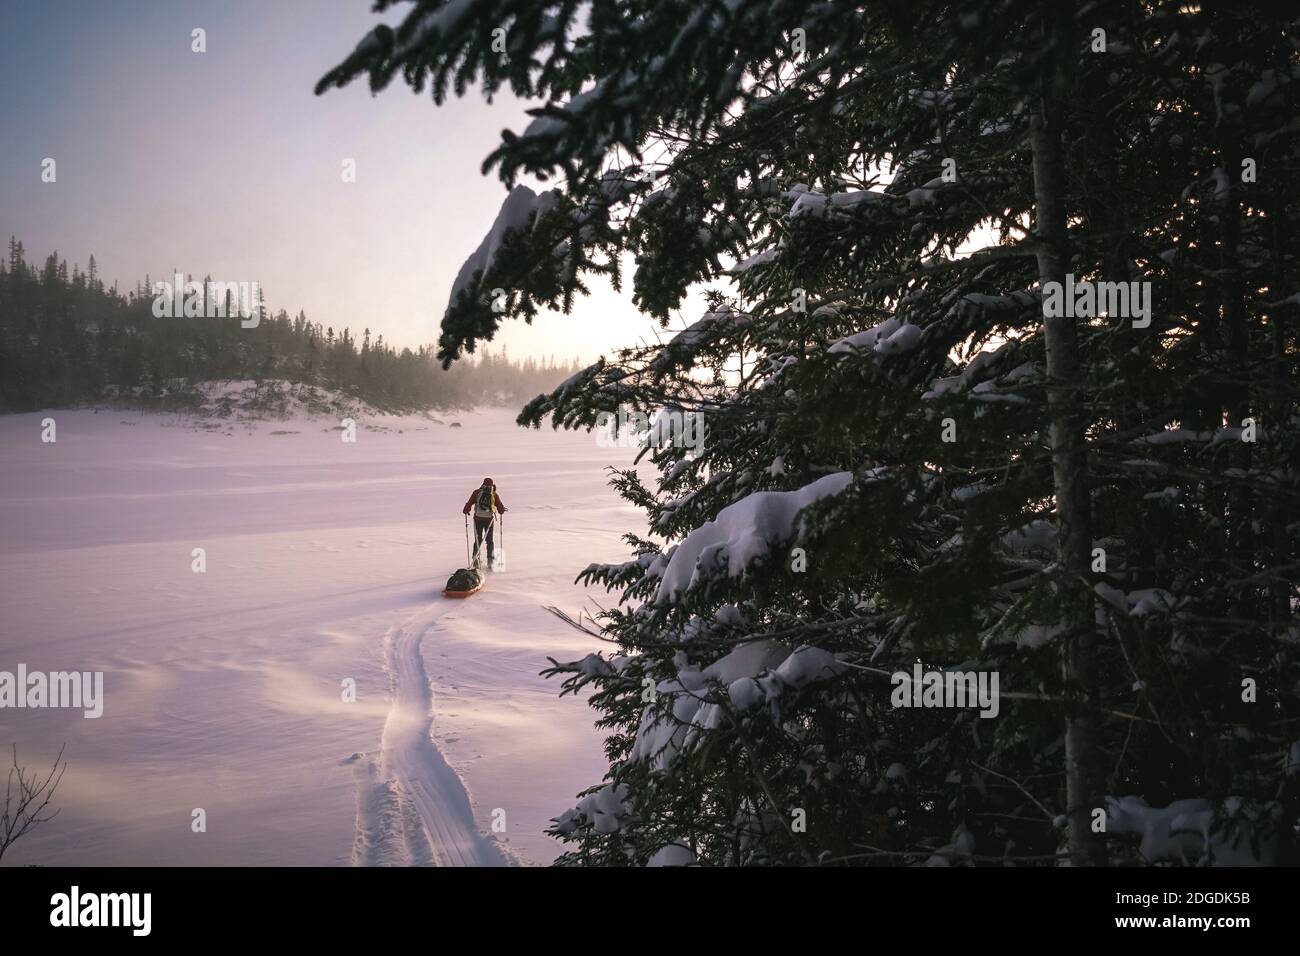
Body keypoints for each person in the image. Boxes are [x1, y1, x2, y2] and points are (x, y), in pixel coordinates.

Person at [462, 477, 507, 569]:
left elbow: (468, 505)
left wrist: (466, 510)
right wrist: (501, 510)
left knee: (478, 540)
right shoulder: (494, 494)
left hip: (478, 519)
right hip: (489, 520)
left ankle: (476, 561)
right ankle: (490, 562)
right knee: (489, 541)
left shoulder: (477, 493)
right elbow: (500, 509)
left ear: (483, 484)